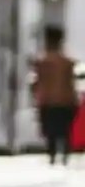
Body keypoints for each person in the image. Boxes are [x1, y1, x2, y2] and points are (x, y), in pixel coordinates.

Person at [31, 26, 78, 165]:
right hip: (66, 100)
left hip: (47, 100)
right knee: (65, 130)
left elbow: (36, 82)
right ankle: (65, 154)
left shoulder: (41, 62)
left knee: (50, 130)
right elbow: (71, 82)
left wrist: (36, 96)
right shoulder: (68, 63)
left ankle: (51, 154)